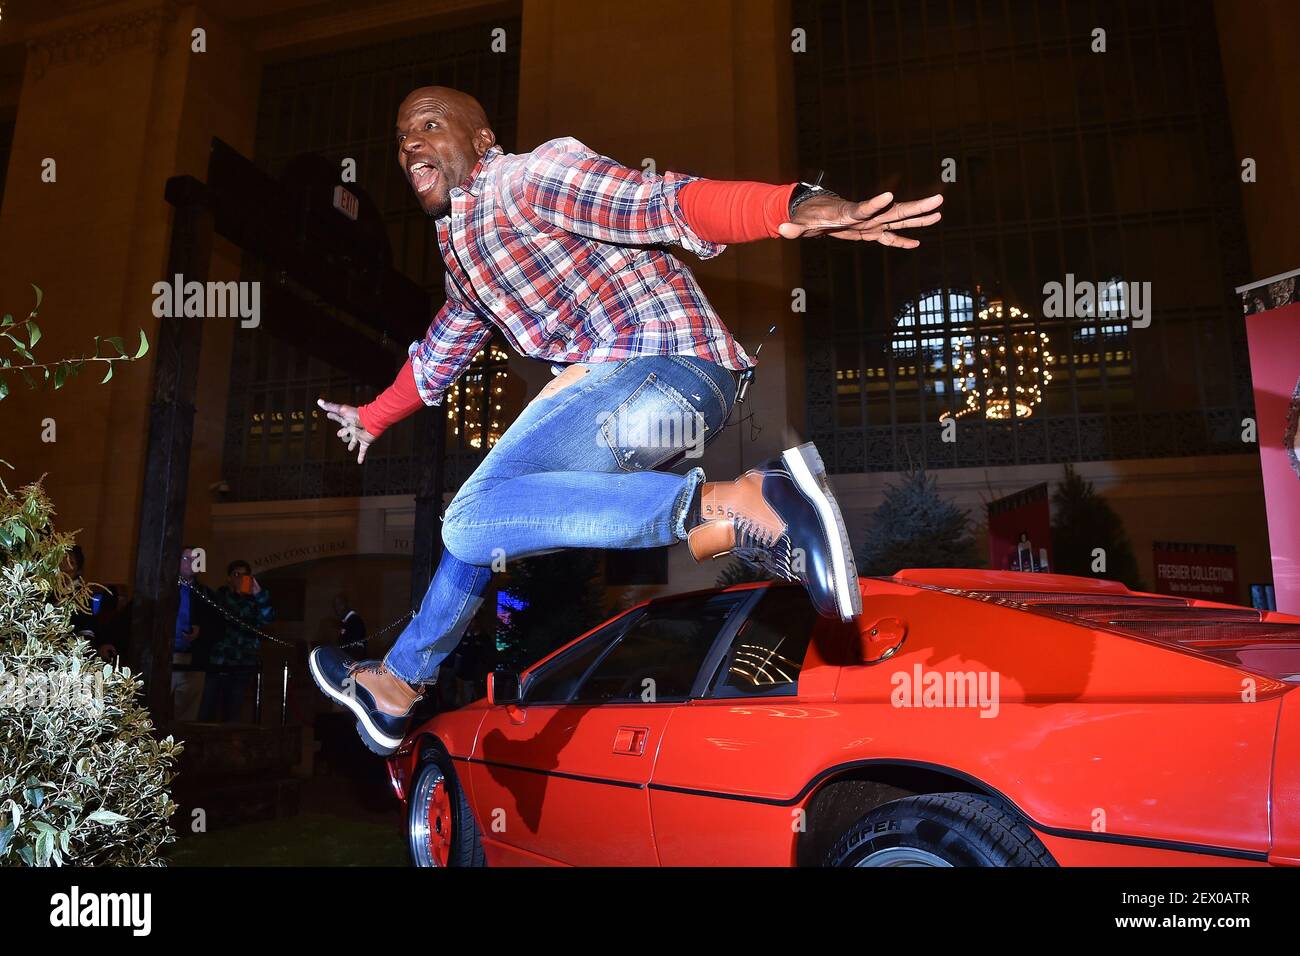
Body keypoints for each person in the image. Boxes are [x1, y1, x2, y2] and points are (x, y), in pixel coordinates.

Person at [309, 86, 942, 755]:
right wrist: (374, 417)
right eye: (402, 136)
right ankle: (399, 682)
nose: (410, 144)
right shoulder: (464, 255)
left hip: (661, 370)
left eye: (429, 126)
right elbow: (441, 351)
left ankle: (742, 502)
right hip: (660, 401)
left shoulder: (529, 177)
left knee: (468, 517)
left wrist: (788, 205)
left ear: (482, 140)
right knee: (493, 513)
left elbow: (656, 202)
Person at [198, 559, 275, 723]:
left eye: (244, 575)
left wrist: (258, 593)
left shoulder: (256, 600)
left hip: (242, 663)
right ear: (229, 578)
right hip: (219, 661)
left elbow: (268, 618)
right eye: (236, 574)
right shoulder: (221, 596)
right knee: (207, 709)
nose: (240, 578)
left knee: (233, 711)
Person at [172, 547, 214, 721]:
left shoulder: (206, 594)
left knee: (187, 713)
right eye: (186, 559)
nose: (191, 563)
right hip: (165, 656)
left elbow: (216, 625)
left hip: (193, 659)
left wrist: (201, 632)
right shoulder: (163, 588)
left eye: (195, 559)